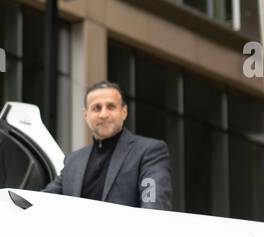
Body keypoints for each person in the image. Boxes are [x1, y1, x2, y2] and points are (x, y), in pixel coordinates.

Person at [42, 80, 173, 210]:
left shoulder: (149, 151)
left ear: (124, 112)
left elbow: (154, 205)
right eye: (96, 108)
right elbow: (45, 200)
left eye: (111, 106)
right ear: (86, 114)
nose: (103, 114)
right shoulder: (73, 161)